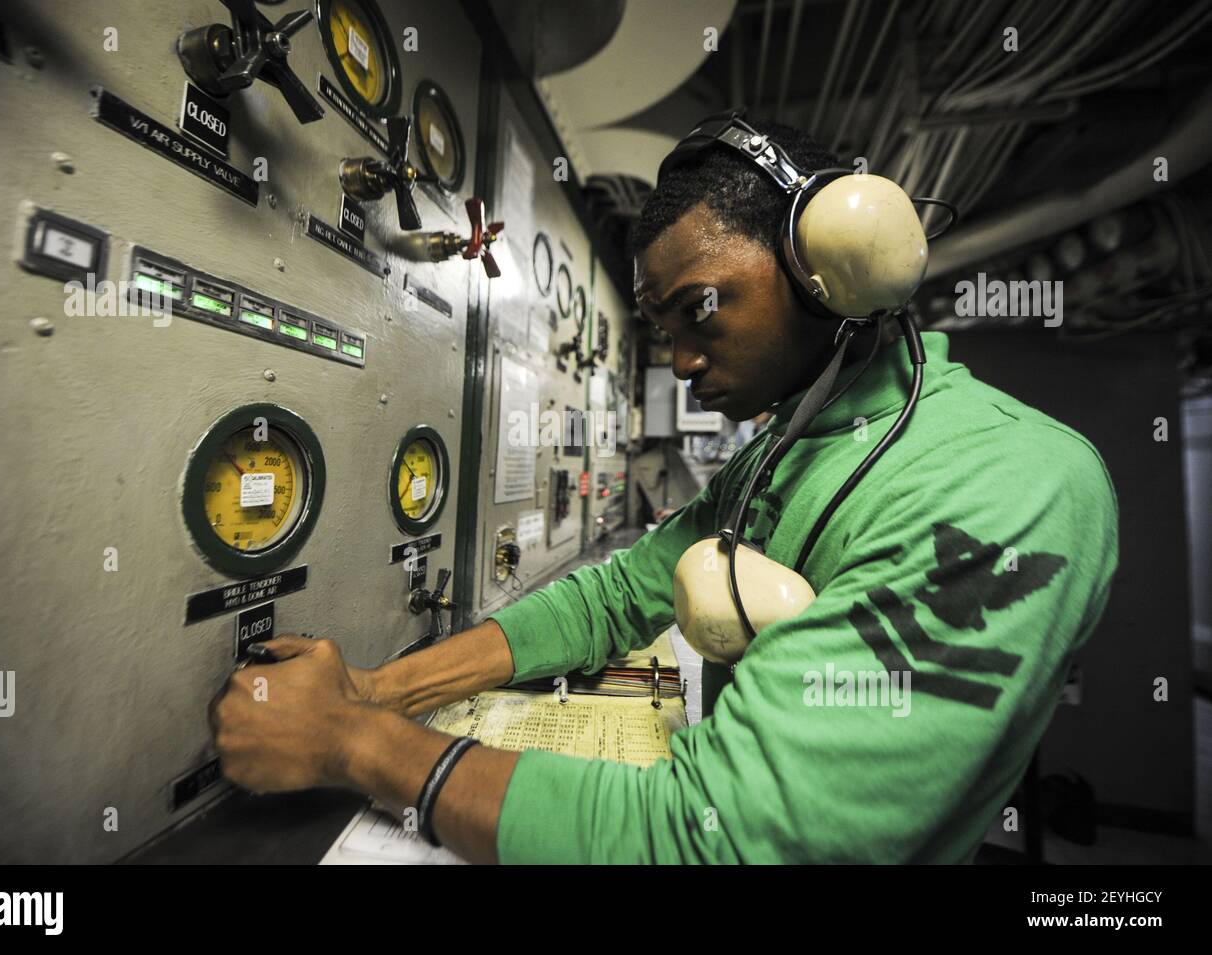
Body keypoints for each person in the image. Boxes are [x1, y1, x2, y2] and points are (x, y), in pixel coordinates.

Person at [209, 118, 1119, 864]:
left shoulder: (1011, 483)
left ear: (830, 265)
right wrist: (378, 689)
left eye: (701, 308)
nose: (680, 362)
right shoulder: (789, 451)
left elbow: (709, 840)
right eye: (660, 323)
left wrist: (353, 745)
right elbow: (615, 594)